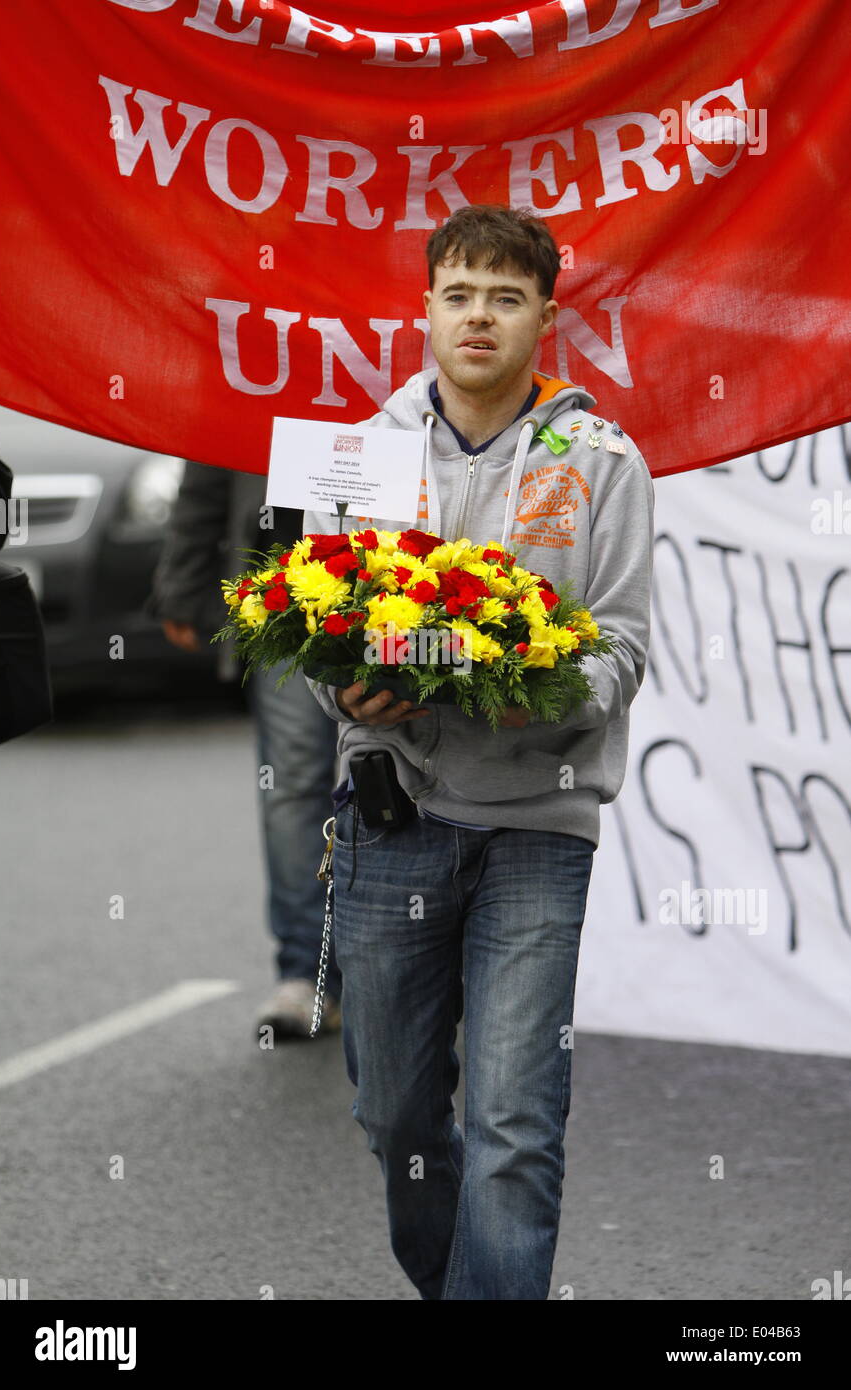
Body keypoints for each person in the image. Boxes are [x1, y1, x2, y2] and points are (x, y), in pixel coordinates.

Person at [302, 204, 655, 1299]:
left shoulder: (601, 459)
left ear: (544, 317)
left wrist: (525, 690)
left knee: (510, 1119)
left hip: (536, 829)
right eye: (458, 294)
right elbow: (304, 628)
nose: (478, 317)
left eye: (505, 297)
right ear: (423, 309)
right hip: (391, 817)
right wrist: (342, 683)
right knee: (394, 1112)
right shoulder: (351, 455)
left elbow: (623, 650)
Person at [147, 465, 343, 1038]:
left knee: (411, 778)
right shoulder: (245, 369)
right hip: (281, 589)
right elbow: (209, 450)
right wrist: (182, 580)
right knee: (293, 782)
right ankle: (306, 973)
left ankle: (421, 971)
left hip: (405, 575)